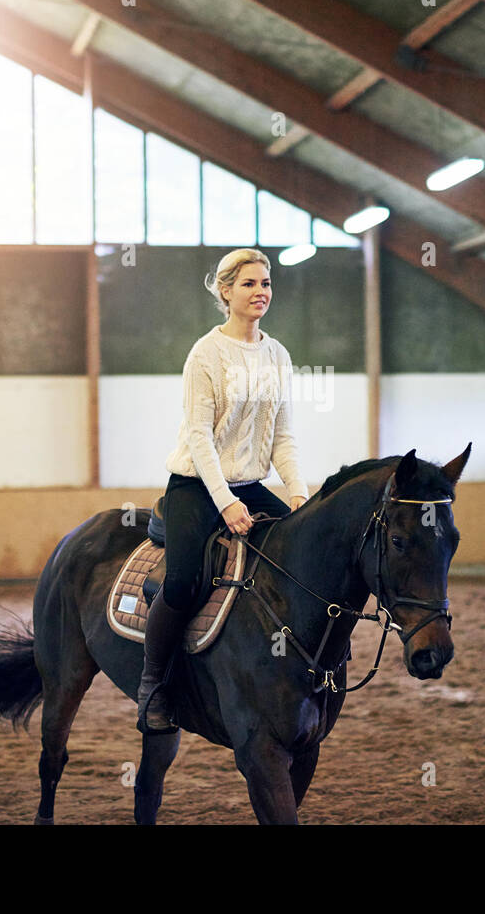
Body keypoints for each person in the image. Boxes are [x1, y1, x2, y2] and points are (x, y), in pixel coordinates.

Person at [136, 248, 309, 734]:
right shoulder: (205, 354)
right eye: (250, 284)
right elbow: (199, 436)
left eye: (267, 284)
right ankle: (154, 685)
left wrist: (298, 492)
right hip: (197, 484)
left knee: (297, 554)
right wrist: (225, 502)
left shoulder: (277, 354)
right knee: (184, 581)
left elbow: (282, 435)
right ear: (225, 291)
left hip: (251, 484)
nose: (261, 293)